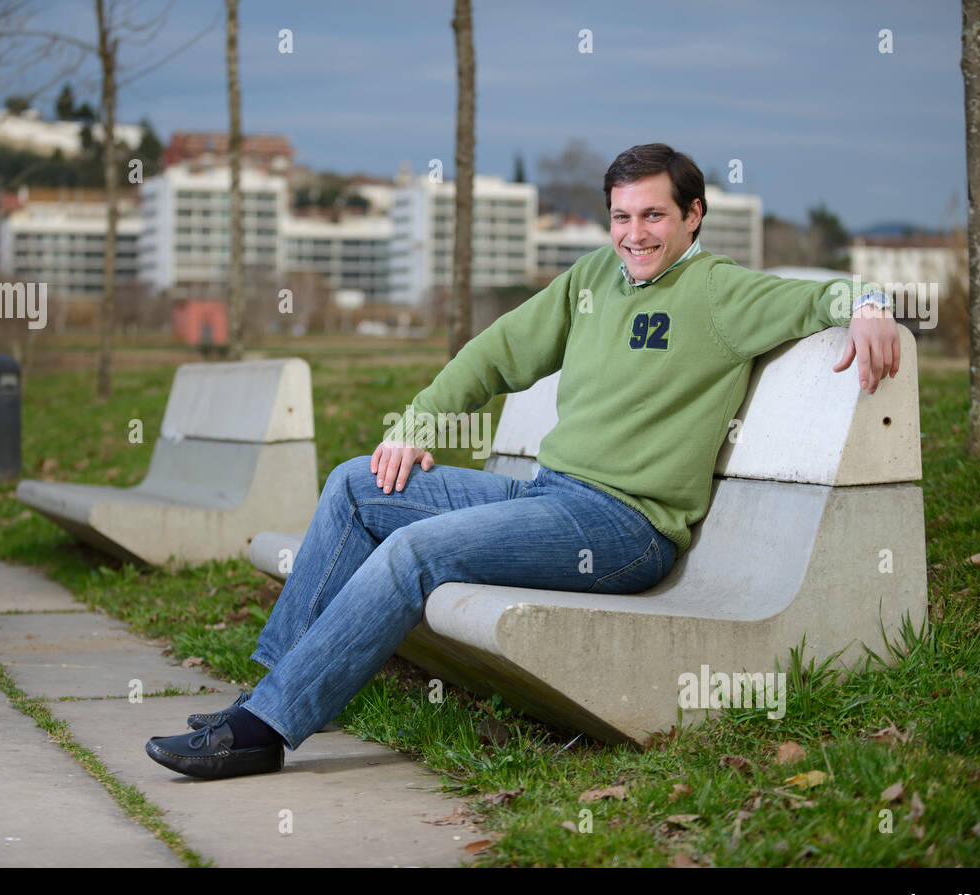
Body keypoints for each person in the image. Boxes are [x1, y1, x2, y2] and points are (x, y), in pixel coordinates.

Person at [144, 143, 899, 779]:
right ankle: (266, 694)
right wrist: (415, 424)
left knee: (415, 552)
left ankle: (265, 734)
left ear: (693, 215)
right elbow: (497, 353)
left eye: (654, 215)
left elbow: (825, 296)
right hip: (550, 495)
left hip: (623, 528)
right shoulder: (592, 281)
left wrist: (868, 305)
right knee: (354, 483)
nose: (634, 235)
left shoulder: (723, 294)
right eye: (622, 216)